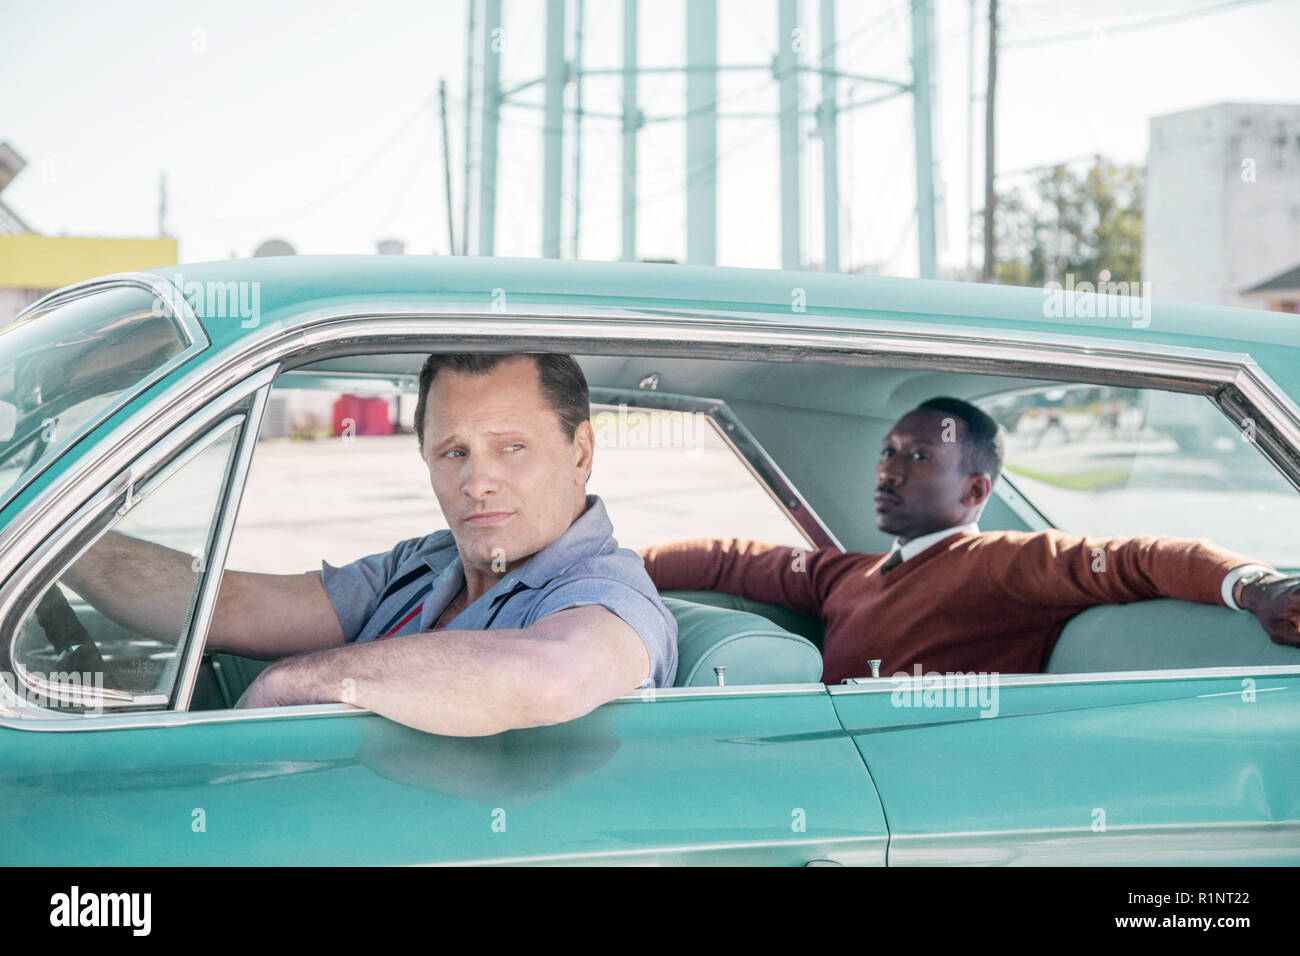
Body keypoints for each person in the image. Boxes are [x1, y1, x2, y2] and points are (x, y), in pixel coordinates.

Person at [64, 352, 677, 734]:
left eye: (511, 447)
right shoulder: (424, 565)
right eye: (453, 452)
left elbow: (550, 676)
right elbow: (226, 605)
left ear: (581, 453)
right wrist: (68, 542)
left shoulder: (605, 591)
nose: (477, 481)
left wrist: (296, 683)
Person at [638, 396, 1300, 683]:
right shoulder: (846, 575)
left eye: (919, 457)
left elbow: (1142, 560)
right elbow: (734, 559)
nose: (888, 470)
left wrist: (1257, 585)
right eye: (888, 452)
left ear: (977, 492)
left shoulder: (1004, 563)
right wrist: (620, 566)